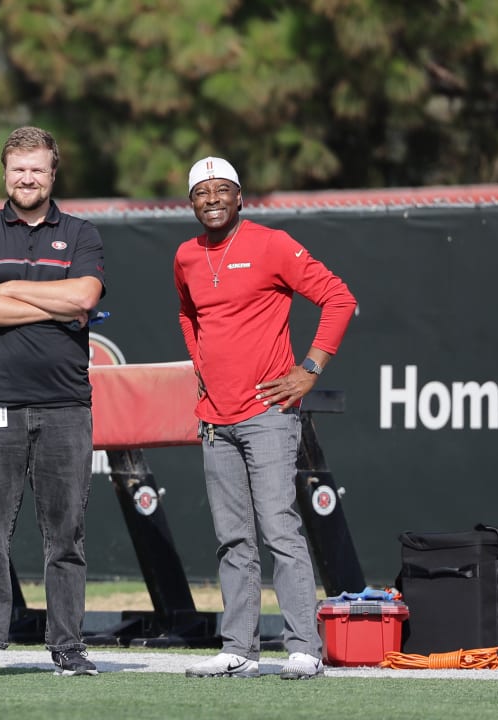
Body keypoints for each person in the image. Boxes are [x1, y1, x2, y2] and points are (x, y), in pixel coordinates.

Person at [174, 156, 356, 680]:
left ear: (240, 196)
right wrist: (201, 365)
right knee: (232, 538)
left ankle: (304, 648)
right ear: (191, 202)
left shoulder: (272, 244)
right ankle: (239, 648)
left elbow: (339, 298)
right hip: (215, 418)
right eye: (201, 192)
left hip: (268, 412)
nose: (211, 199)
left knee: (279, 528)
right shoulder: (186, 255)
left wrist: (310, 369)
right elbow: (188, 314)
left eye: (221, 189)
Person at [0, 126, 106, 678]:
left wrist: (8, 290)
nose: (27, 178)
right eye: (18, 169)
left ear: (53, 174)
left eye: (37, 169)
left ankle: (67, 646)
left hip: (66, 405)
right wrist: (54, 305)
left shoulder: (82, 233)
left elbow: (84, 296)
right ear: (5, 173)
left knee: (66, 534)